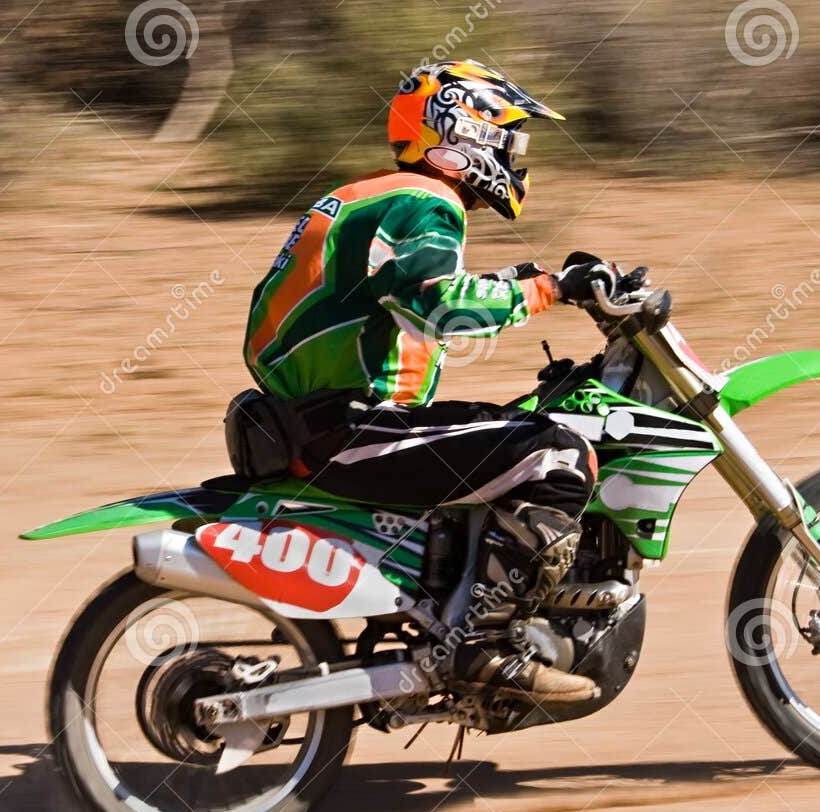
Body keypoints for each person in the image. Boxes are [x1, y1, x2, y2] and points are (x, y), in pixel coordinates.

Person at [242, 59, 645, 705]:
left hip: (320, 417)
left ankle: (455, 610)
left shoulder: (379, 193)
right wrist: (551, 288)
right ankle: (483, 648)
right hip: (347, 426)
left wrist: (540, 276)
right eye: (509, 140)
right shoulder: (427, 201)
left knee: (507, 430)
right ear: (463, 133)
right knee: (557, 451)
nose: (516, 159)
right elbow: (440, 306)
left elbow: (401, 291)